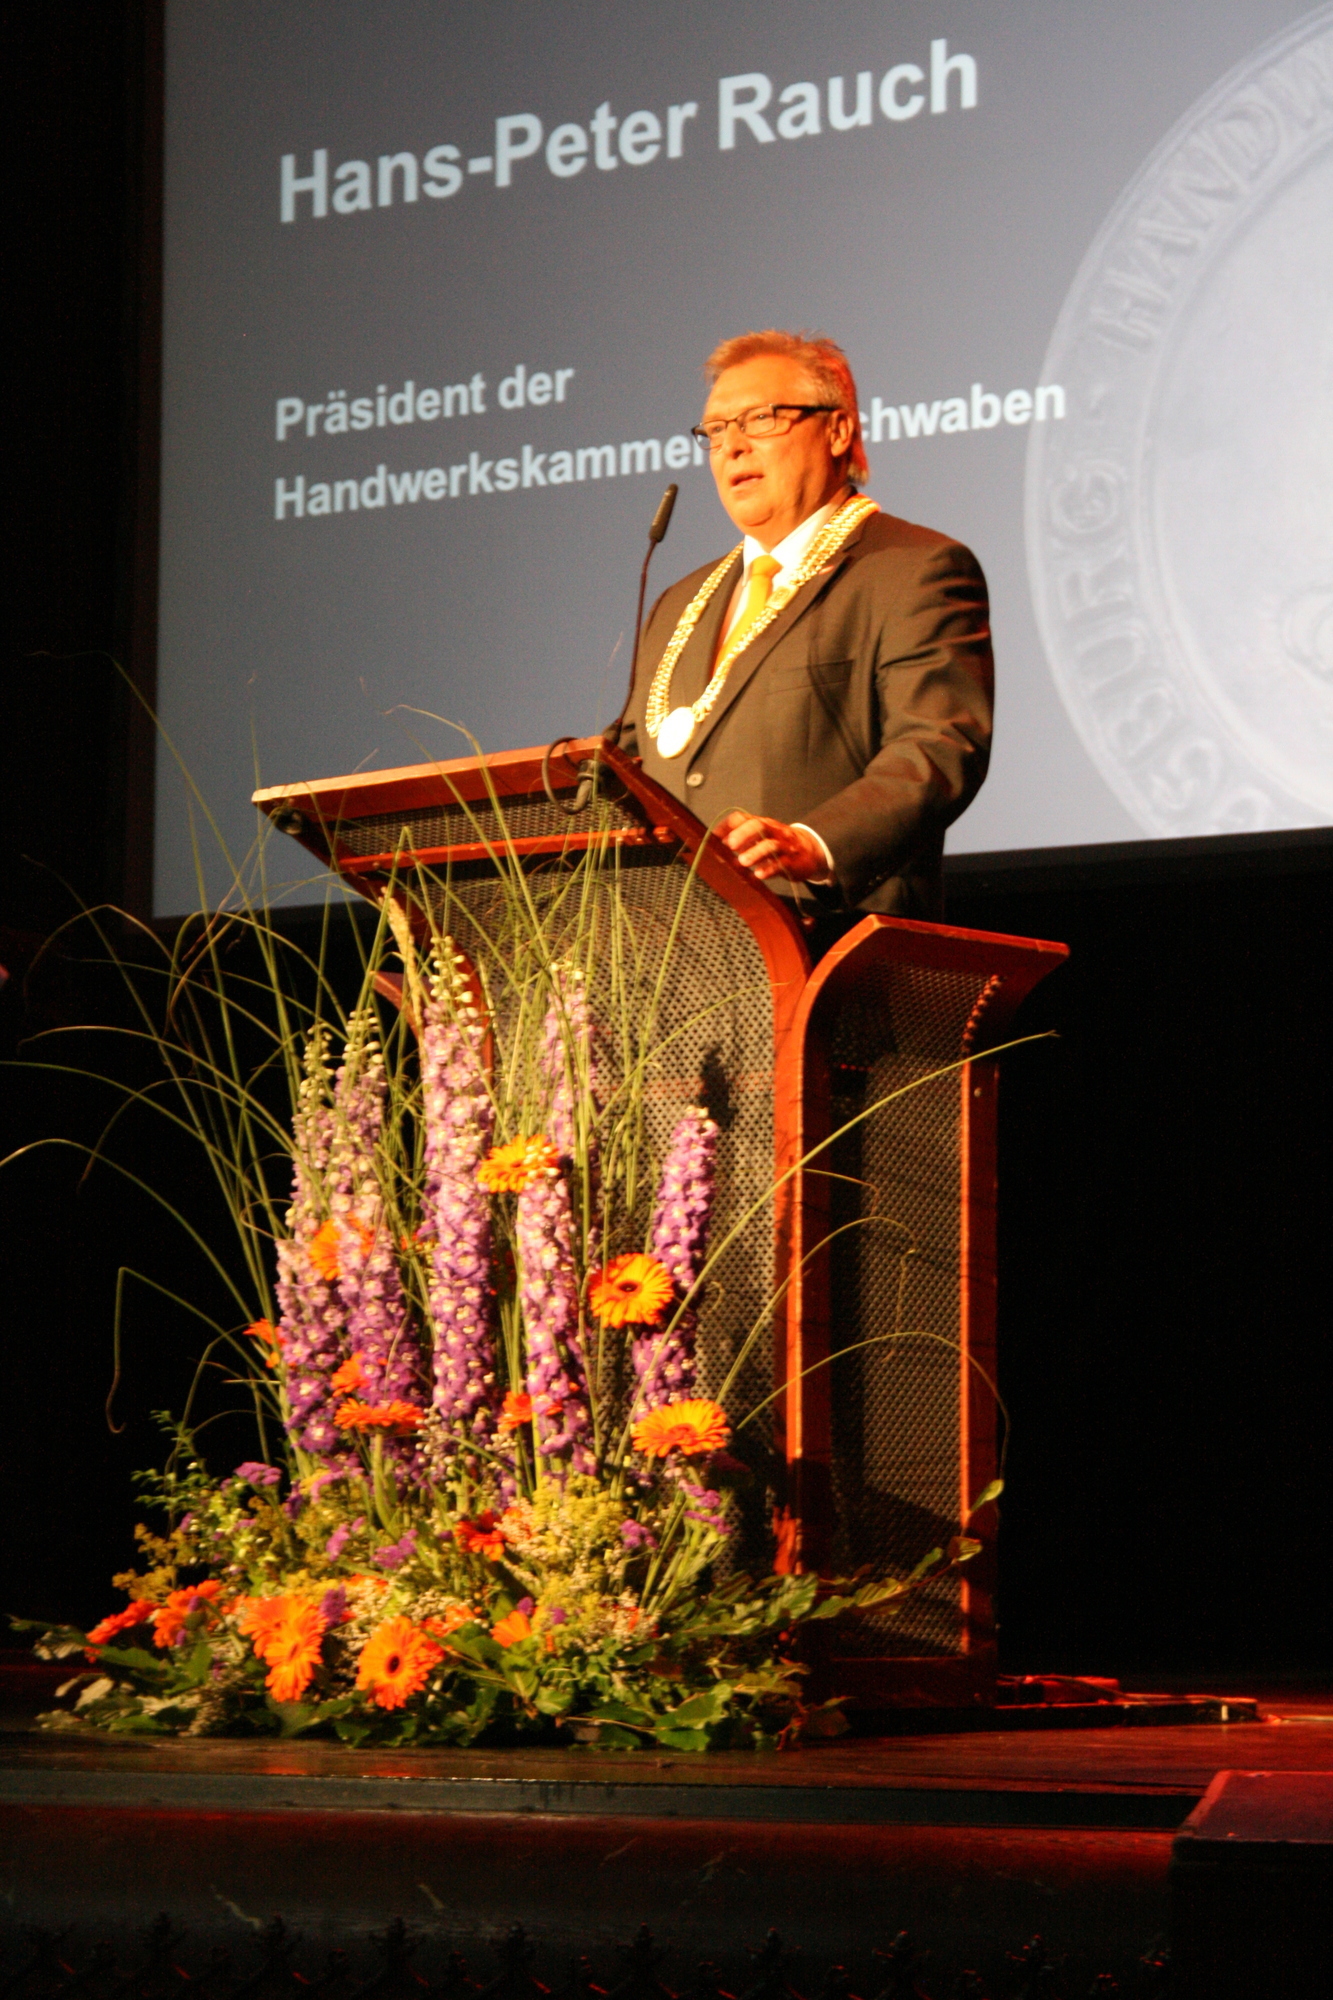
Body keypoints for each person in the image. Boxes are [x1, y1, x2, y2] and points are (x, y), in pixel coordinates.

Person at [619, 330, 993, 932]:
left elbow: (937, 748)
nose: (733, 447)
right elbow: (627, 768)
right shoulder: (678, 603)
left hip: (827, 947)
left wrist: (814, 844)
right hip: (668, 966)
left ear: (838, 431)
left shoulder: (913, 568)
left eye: (760, 419)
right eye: (715, 431)